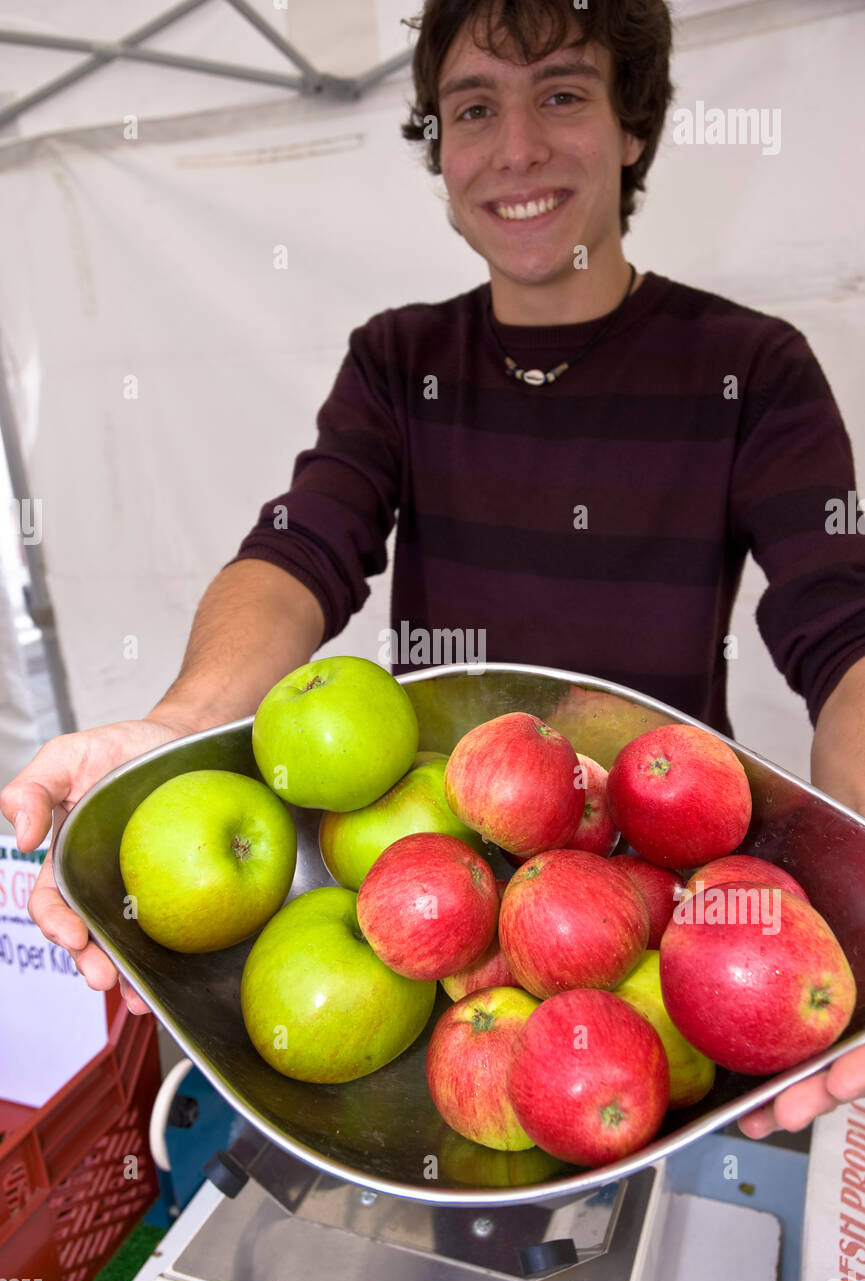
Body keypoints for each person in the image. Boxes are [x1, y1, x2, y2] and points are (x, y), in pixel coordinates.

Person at [2, 0, 863, 1144]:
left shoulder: (750, 366)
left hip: (656, 900)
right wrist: (183, 719)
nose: (514, 148)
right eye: (472, 108)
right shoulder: (400, 358)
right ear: (439, 146)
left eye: (561, 94)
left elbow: (841, 633)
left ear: (632, 129)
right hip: (436, 907)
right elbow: (300, 550)